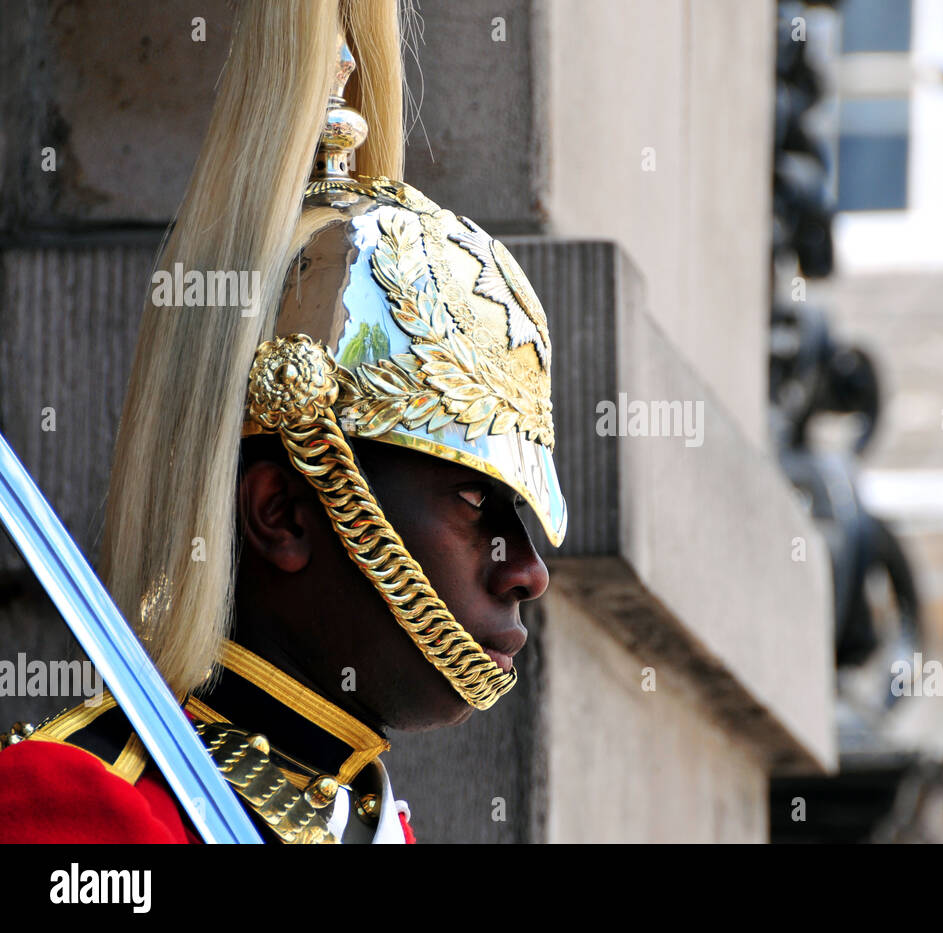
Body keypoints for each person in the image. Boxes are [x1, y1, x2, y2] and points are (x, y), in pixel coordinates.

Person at [0, 0, 565, 844]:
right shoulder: (77, 810)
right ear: (284, 513)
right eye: (474, 502)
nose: (527, 570)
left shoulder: (368, 824)